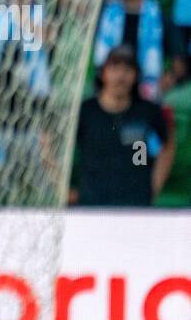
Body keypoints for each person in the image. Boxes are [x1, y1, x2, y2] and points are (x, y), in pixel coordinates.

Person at [72, 45, 175, 206]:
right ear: (103, 73)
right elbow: (50, 140)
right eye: (114, 68)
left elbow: (168, 144)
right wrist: (62, 186)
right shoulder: (84, 112)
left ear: (136, 75)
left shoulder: (148, 111)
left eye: (127, 70)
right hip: (92, 207)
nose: (120, 76)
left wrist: (155, 185)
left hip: (137, 205)